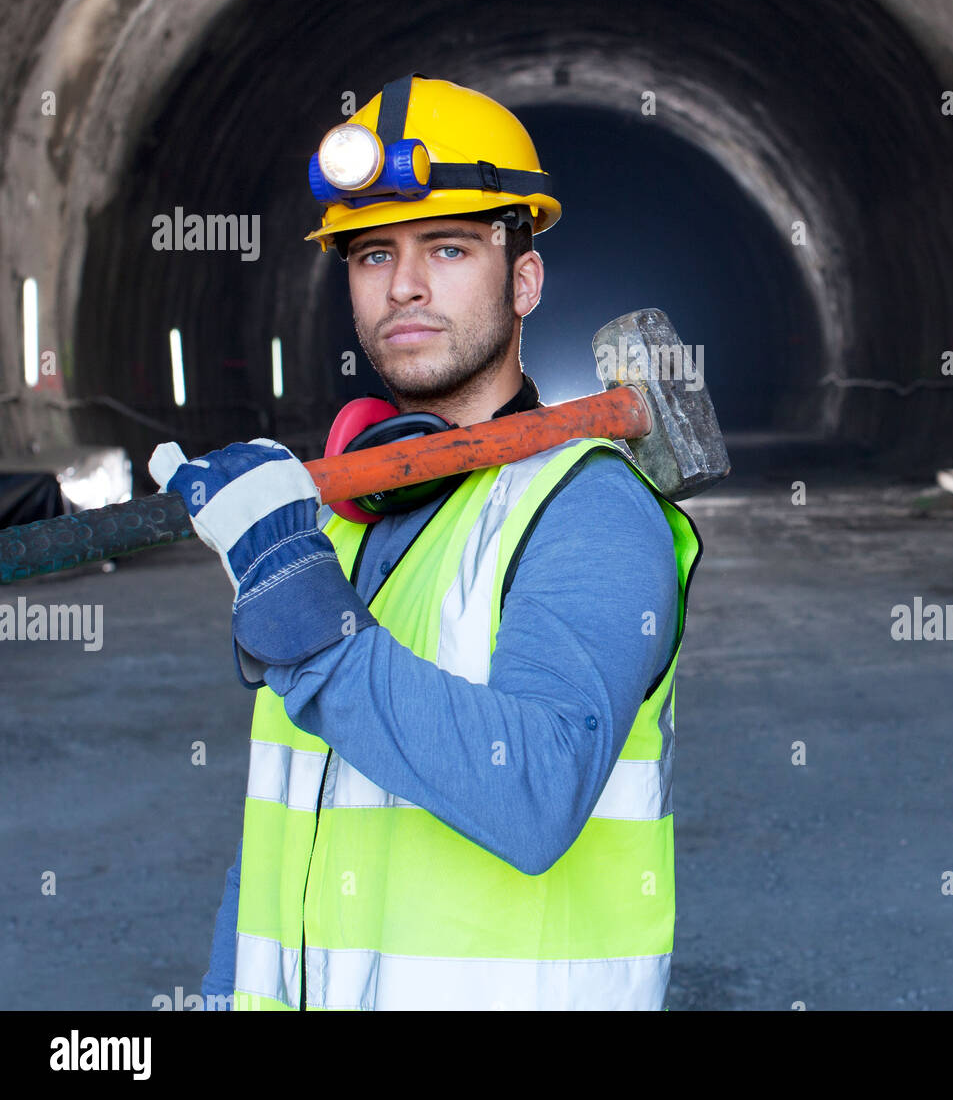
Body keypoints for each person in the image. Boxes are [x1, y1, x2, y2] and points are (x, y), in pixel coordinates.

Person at [148, 75, 703, 1010]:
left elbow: (535, 790)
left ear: (523, 278)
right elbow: (294, 812)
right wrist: (219, 991)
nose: (403, 284)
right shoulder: (338, 520)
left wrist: (307, 623)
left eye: (447, 247)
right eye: (371, 256)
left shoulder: (590, 510)